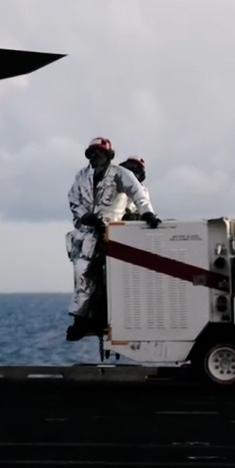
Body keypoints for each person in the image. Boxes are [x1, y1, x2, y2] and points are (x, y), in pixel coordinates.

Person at [64, 137, 158, 341]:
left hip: (114, 233)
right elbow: (73, 199)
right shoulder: (81, 176)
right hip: (87, 234)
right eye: (94, 152)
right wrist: (84, 216)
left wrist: (148, 214)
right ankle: (81, 320)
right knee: (83, 275)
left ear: (109, 155)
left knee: (113, 279)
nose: (97, 155)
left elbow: (137, 193)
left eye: (101, 152)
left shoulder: (119, 174)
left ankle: (109, 319)